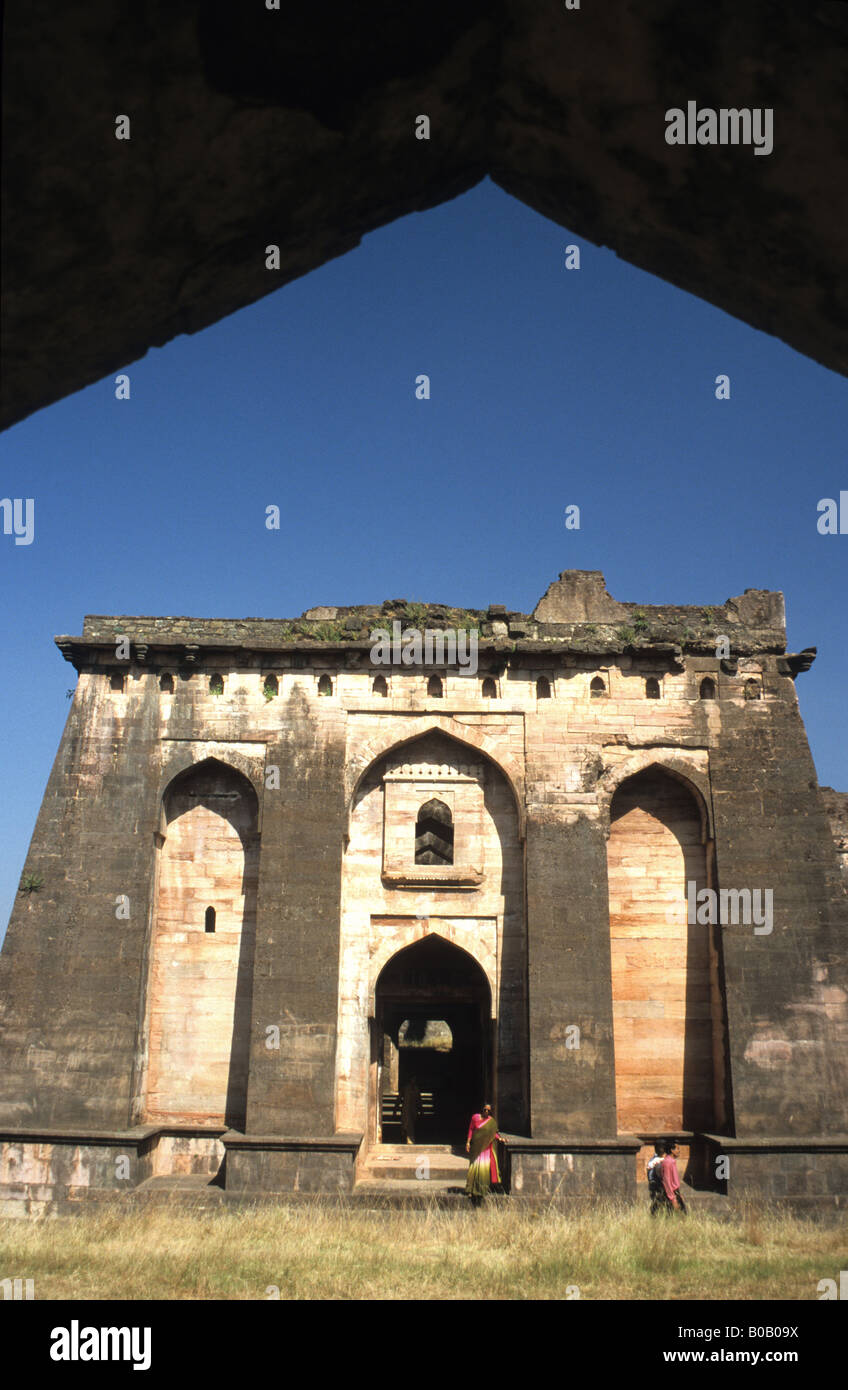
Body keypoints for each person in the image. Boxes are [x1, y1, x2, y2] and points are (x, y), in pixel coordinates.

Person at [465, 1103, 505, 1203]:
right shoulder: (475, 1118)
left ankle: (481, 1190)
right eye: (485, 1110)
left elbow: (494, 1133)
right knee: (473, 1168)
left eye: (488, 1110)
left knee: (483, 1170)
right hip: (476, 1148)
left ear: (490, 1112)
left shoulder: (491, 1122)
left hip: (486, 1148)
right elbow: (471, 1129)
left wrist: (500, 1138)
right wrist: (468, 1142)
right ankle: (470, 1190)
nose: (486, 1112)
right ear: (481, 1110)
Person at [660, 1140, 687, 1215]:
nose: (679, 1151)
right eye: (677, 1149)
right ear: (672, 1150)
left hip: (675, 1193)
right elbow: (667, 1182)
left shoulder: (671, 1161)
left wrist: (679, 1194)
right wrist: (672, 1199)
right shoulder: (668, 1162)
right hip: (671, 1194)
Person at [646, 1142, 666, 1215]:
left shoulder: (666, 1158)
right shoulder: (653, 1161)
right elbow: (650, 1173)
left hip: (664, 1184)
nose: (661, 1149)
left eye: (662, 1148)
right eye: (659, 1148)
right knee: (657, 1202)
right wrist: (652, 1181)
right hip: (656, 1184)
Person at [401, 1076, 420, 1145]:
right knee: (407, 1123)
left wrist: (420, 1109)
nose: (413, 1081)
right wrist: (395, 1108)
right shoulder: (405, 1088)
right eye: (412, 1079)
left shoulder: (416, 1089)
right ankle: (408, 1139)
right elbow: (400, 1097)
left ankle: (410, 1138)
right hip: (406, 1108)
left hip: (413, 1109)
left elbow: (419, 1100)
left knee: (411, 1124)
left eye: (414, 1079)